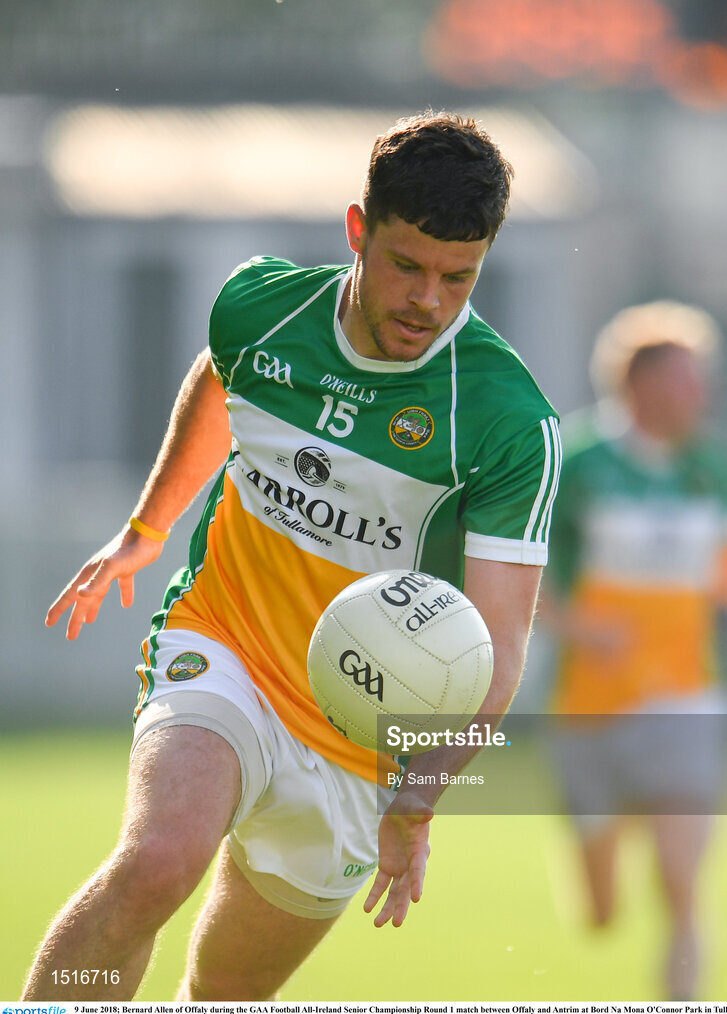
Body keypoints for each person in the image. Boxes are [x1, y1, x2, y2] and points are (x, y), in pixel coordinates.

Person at [24, 111, 561, 1001]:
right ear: (359, 230)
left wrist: (419, 799)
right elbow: (221, 374)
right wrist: (148, 530)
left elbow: (497, 658)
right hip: (223, 644)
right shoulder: (261, 306)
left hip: (361, 741)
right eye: (406, 265)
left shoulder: (507, 422)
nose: (427, 300)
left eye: (457, 278)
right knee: (158, 861)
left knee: (228, 994)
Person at [539, 300, 727, 1000]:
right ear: (637, 384)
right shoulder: (574, 462)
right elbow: (515, 580)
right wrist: (579, 628)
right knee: (603, 913)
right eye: (686, 379)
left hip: (688, 697)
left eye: (704, 379)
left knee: (681, 888)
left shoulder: (715, 466)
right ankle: (613, 827)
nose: (703, 394)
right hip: (591, 704)